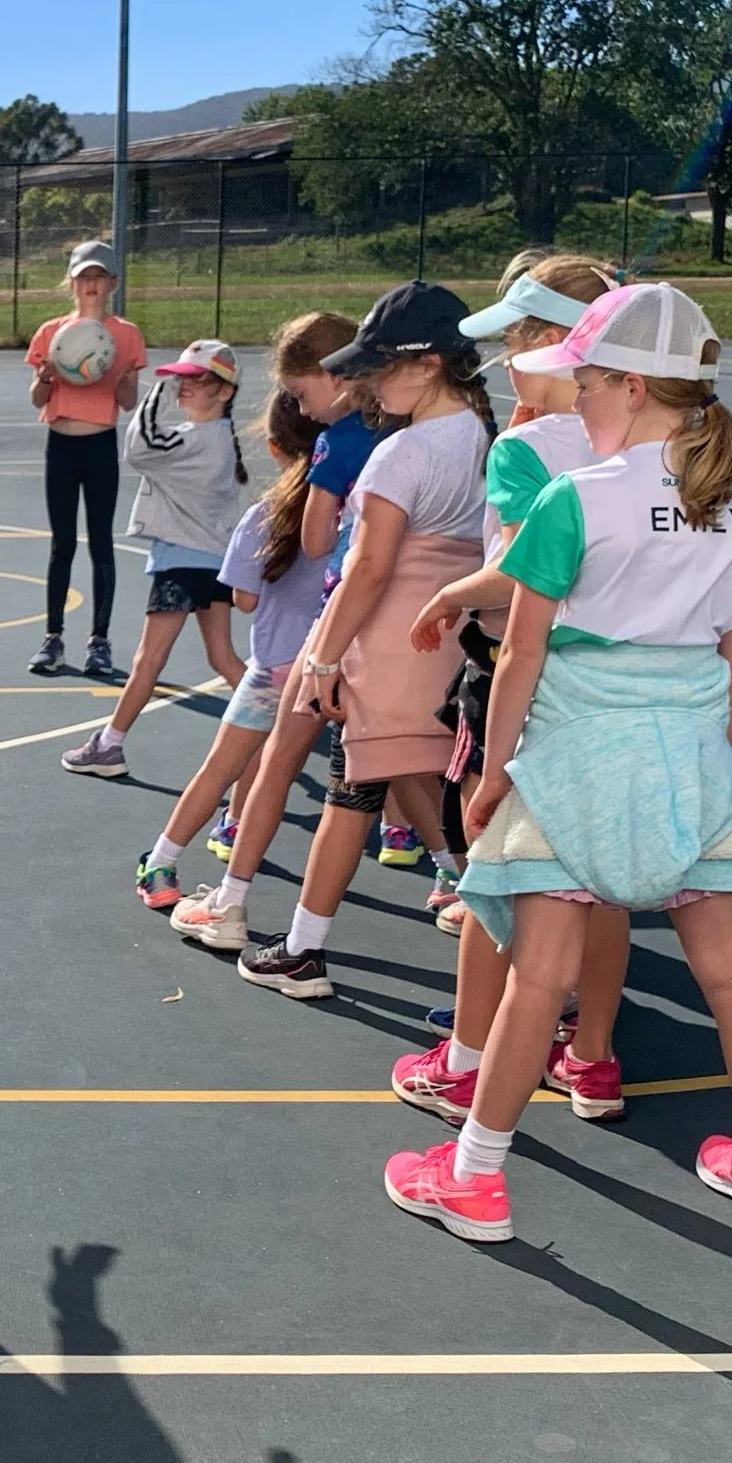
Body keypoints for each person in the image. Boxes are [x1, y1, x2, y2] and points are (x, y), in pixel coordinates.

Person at [385, 283, 732, 1242]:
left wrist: (491, 779)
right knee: (731, 972)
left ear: (631, 387)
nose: (575, 402)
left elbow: (522, 654)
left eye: (586, 384)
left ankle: (477, 1175)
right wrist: (708, 754)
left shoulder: (578, 497)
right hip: (689, 752)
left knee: (540, 973)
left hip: (579, 758)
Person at [390, 254, 631, 1126]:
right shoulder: (652, 446)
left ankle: (468, 1060)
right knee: (602, 886)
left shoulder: (527, 448)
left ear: (549, 346)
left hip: (525, 679)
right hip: (620, 686)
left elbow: (525, 571)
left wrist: (454, 592)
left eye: (513, 344)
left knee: (495, 876)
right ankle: (592, 1058)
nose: (502, 365)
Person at [238, 284, 492, 999]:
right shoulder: (490, 438)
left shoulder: (400, 454)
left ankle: (303, 947)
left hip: (384, 642)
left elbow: (369, 567)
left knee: (351, 793)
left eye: (382, 368)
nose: (371, 384)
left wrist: (323, 657)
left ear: (429, 364)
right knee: (452, 786)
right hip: (451, 640)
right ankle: (490, 923)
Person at [153, 387, 329, 945]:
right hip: (334, 666)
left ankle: (162, 863)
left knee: (222, 768)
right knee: (382, 776)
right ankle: (448, 870)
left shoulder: (265, 515)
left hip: (275, 666)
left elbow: (245, 600)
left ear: (275, 448)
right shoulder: (351, 513)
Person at [61, 339, 248, 789]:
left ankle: (109, 744)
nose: (183, 389)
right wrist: (177, 382)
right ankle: (277, 719)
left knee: (149, 660)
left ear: (223, 392)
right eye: (180, 380)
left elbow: (140, 445)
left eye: (194, 382)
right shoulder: (220, 439)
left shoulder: (195, 441)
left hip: (182, 563)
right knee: (222, 656)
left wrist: (160, 389)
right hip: (211, 561)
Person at [25, 243, 146, 678]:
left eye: (99, 277)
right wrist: (45, 379)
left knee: (100, 545)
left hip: (99, 448)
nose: (91, 285)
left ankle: (99, 641)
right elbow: (37, 397)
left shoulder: (125, 335)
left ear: (112, 283)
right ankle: (53, 638)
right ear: (72, 283)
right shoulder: (52, 333)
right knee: (61, 544)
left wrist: (124, 378)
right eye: (83, 277)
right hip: (61, 447)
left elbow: (129, 402)